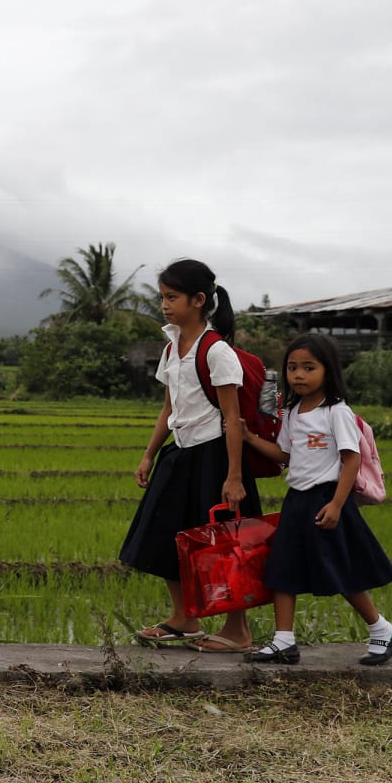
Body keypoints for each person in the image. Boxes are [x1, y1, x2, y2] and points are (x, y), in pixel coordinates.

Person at [120, 259, 262, 652]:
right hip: (180, 455)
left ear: (199, 300)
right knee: (164, 537)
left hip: (216, 459)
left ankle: (238, 630)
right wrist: (149, 455)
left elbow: (233, 420)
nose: (165, 305)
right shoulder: (172, 348)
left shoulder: (216, 351)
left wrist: (233, 477)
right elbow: (169, 410)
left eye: (172, 297)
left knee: (225, 544)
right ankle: (185, 618)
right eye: (162, 296)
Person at [241, 334, 392, 665]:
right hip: (297, 499)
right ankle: (284, 640)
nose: (298, 375)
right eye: (292, 367)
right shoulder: (293, 411)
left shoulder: (336, 411)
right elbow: (283, 453)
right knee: (281, 566)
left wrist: (337, 505)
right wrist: (249, 437)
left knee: (340, 569)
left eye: (308, 368)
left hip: (326, 499)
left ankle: (382, 630)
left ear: (328, 371)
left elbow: (351, 459)